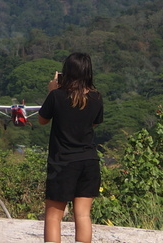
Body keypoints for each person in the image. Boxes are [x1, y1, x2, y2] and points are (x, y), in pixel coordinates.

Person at [37, 52, 104, 243]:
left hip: (63, 163)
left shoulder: (57, 96)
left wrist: (52, 91)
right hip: (89, 161)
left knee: (53, 216)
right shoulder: (97, 97)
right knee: (82, 215)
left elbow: (42, 120)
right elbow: (92, 124)